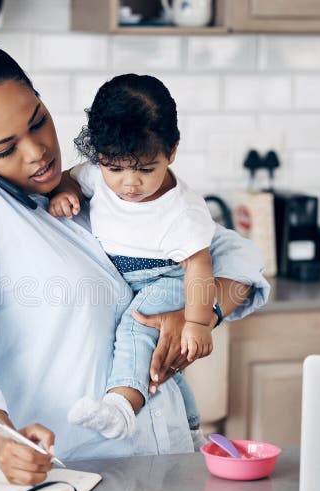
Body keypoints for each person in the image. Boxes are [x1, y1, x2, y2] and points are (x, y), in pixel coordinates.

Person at [0, 42, 270, 486]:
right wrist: (2, 440)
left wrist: (196, 314)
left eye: (38, 122)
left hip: (155, 468)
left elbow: (240, 260)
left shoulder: (101, 192)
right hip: (57, 475)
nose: (37, 152)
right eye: (6, 148)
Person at [49, 74, 218, 445]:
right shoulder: (97, 176)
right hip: (127, 280)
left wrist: (197, 322)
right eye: (115, 168)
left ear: (172, 152)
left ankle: (122, 407)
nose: (129, 184)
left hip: (166, 279)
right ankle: (191, 427)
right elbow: (69, 179)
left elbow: (199, 266)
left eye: (144, 170)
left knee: (135, 329)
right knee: (157, 358)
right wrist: (64, 191)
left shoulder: (183, 211)